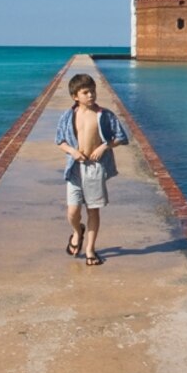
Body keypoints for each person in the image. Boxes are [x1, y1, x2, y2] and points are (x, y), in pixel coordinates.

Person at [55, 73, 128, 266]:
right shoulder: (68, 116)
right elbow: (60, 141)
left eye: (92, 91)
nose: (91, 95)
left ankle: (90, 249)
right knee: (72, 211)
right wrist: (72, 151)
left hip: (95, 168)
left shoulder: (104, 115)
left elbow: (121, 137)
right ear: (75, 96)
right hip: (75, 168)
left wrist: (104, 146)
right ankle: (77, 231)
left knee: (93, 210)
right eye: (85, 92)